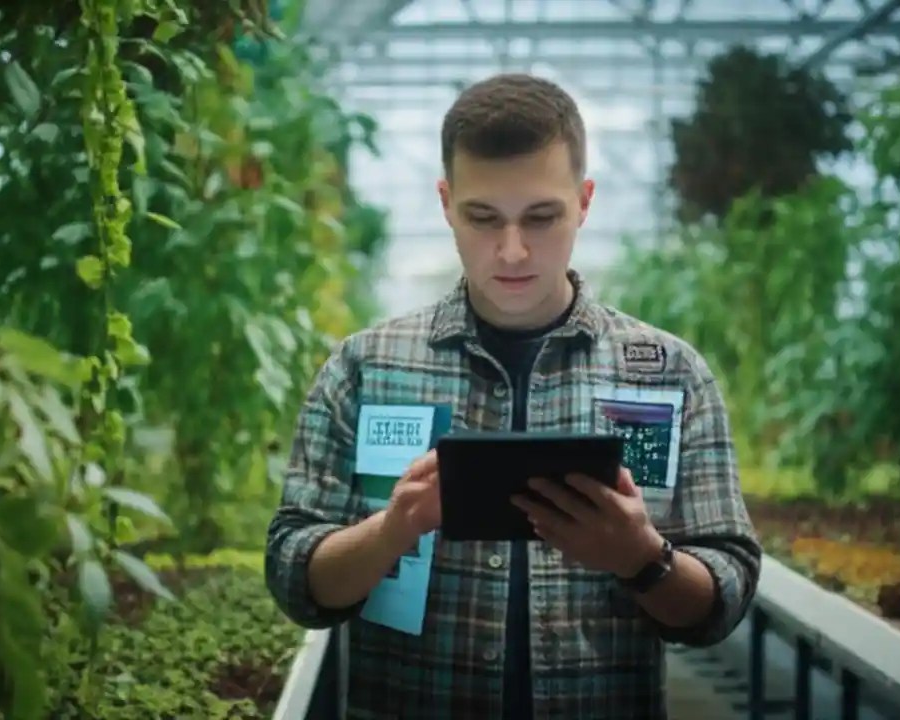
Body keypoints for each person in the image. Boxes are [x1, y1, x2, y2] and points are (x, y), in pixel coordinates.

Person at [265, 72, 762, 720]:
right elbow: (294, 577)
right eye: (482, 217)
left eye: (542, 216)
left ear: (584, 202)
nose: (512, 250)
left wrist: (642, 559)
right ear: (446, 203)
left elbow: (723, 597)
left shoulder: (667, 373)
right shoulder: (367, 369)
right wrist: (394, 530)